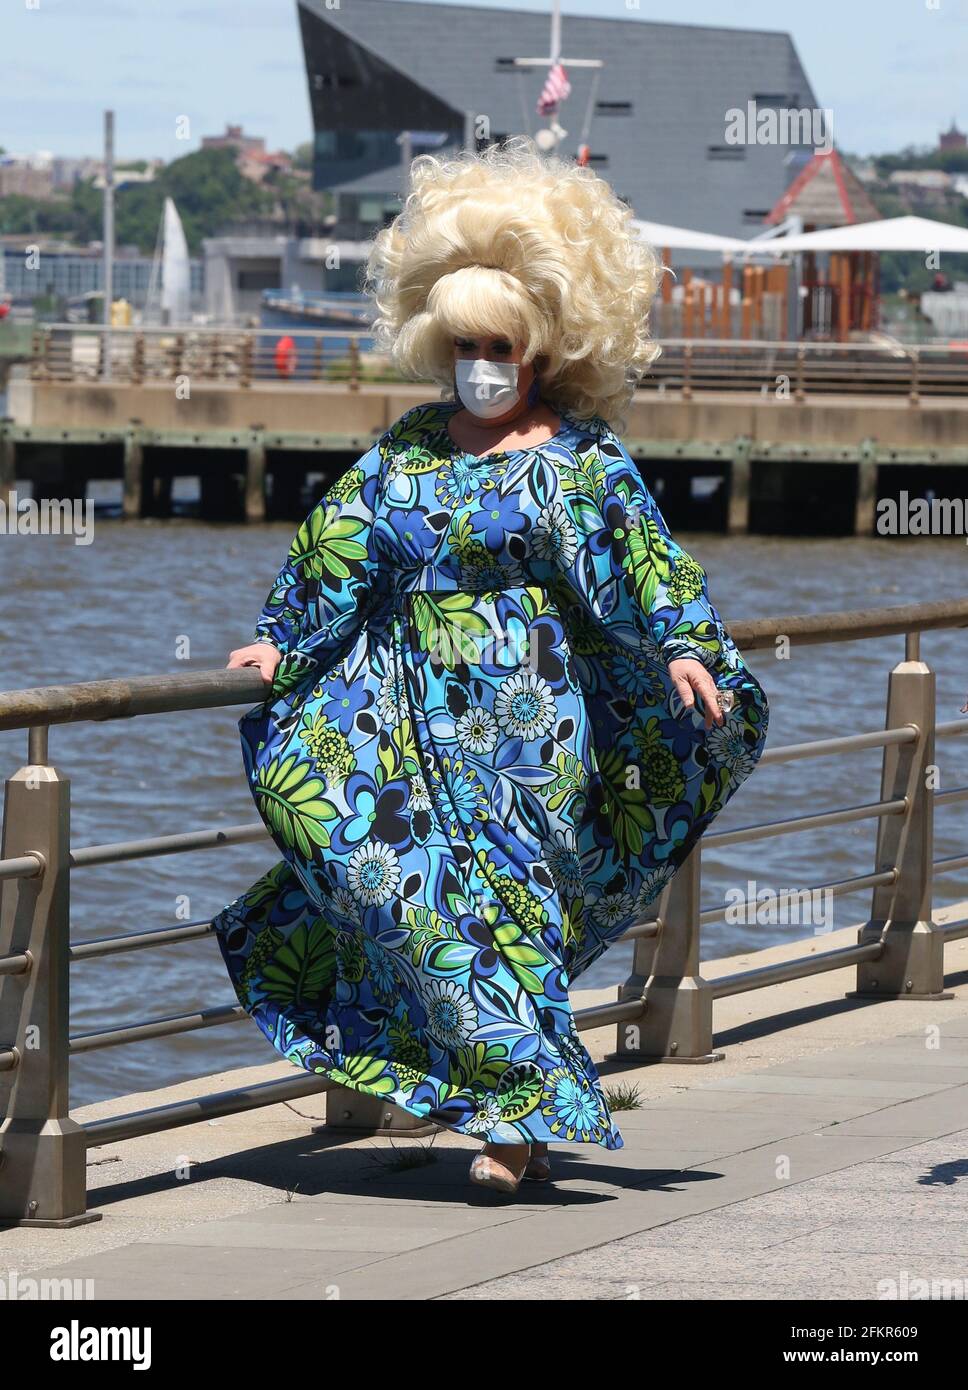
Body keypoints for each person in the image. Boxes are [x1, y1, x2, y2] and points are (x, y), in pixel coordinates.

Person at [212, 136, 769, 1197]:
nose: (480, 361)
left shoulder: (581, 458)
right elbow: (340, 545)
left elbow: (646, 560)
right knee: (421, 902)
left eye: (499, 344)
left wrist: (687, 647)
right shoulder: (407, 450)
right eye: (462, 341)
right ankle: (503, 1106)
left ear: (541, 348)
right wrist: (283, 636)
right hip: (407, 724)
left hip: (531, 726)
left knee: (504, 912)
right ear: (437, 338)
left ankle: (517, 1124)